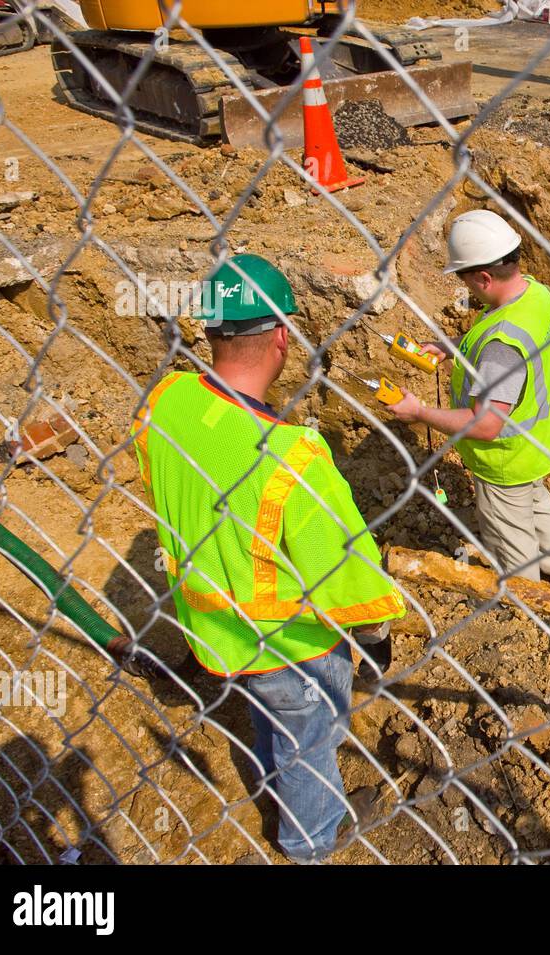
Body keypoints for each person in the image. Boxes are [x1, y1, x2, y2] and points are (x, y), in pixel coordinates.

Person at [131, 253, 406, 863]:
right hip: (293, 644)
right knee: (309, 739)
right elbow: (347, 572)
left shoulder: (167, 402)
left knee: (272, 717)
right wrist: (377, 635)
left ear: (207, 333)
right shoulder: (294, 457)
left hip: (215, 625)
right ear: (283, 334)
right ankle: (309, 839)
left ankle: (269, 783)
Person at [387, 210, 550, 585]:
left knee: (511, 537)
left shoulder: (500, 345)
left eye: (467, 281)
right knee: (537, 505)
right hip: (539, 445)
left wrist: (420, 411)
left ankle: (530, 604)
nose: (468, 290)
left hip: (504, 460)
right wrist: (453, 347)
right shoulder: (538, 295)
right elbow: (502, 346)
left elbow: (486, 423)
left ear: (484, 277)